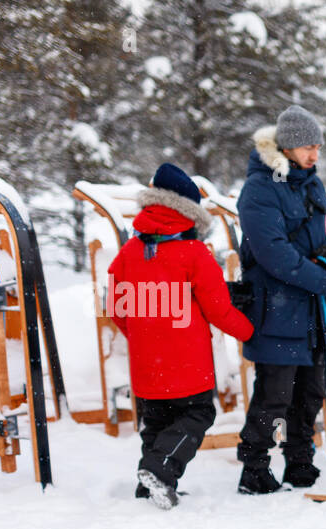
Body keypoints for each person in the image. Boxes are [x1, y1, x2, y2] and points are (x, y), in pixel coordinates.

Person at [108, 162, 254, 509]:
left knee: (156, 424)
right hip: (188, 365)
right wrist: (252, 332)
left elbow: (116, 307)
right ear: (188, 212)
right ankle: (159, 471)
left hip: (146, 365)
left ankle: (149, 487)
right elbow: (218, 310)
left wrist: (143, 335)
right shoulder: (194, 254)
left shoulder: (129, 252)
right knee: (198, 415)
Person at [234, 105, 326, 494]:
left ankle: (299, 462)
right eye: (308, 147)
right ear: (287, 146)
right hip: (276, 308)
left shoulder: (312, 183)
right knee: (274, 395)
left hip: (309, 312)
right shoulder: (259, 189)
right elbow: (274, 254)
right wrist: (323, 279)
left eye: (318, 147)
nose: (315, 155)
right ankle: (254, 467)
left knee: (309, 393)